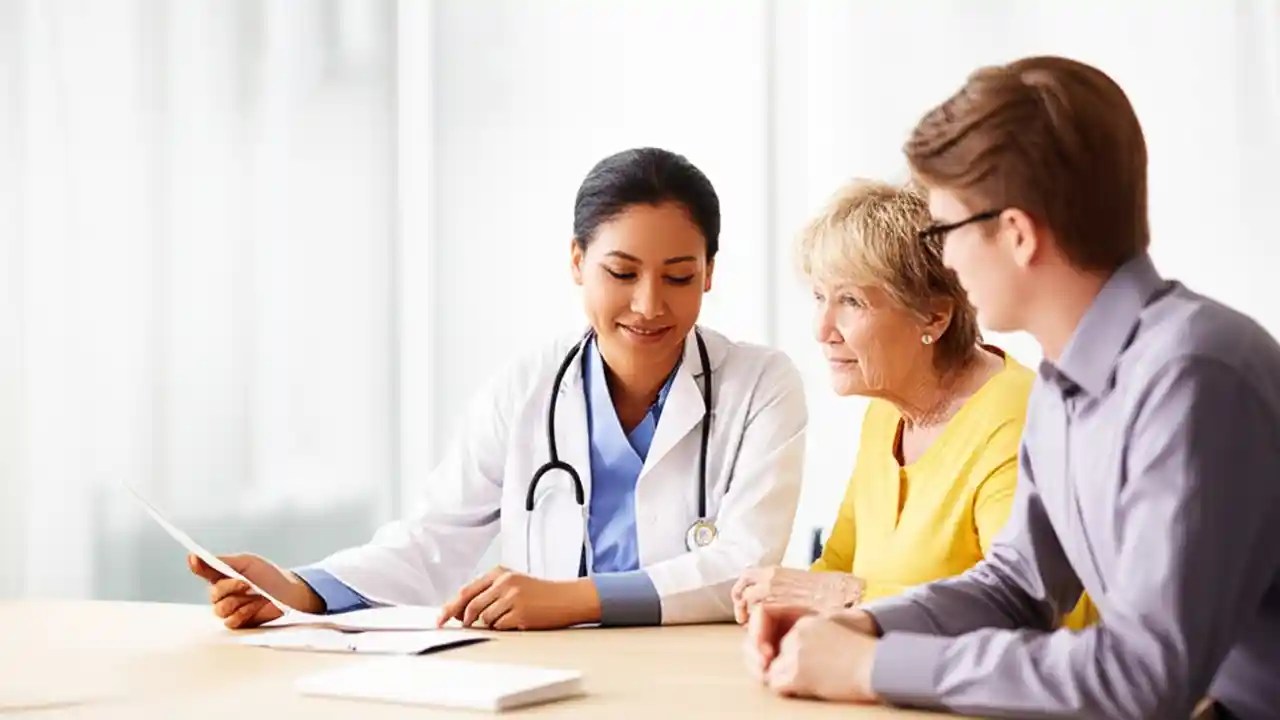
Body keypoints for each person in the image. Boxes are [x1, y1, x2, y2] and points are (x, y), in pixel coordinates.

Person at [745, 56, 1280, 720]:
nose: (942, 260)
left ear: (1017, 233)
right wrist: (867, 628)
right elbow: (1017, 585)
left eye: (945, 231)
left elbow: (1144, 675)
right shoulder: (1065, 381)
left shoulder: (1196, 376)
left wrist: (873, 667)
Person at [189, 147, 808, 631]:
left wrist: (567, 601)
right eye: (621, 272)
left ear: (709, 275)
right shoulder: (528, 387)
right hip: (551, 679)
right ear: (576, 262)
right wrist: (296, 589)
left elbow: (745, 565)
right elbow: (434, 540)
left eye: (679, 276)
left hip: (692, 679)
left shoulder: (760, 386)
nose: (649, 305)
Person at [730, 179, 1093, 629]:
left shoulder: (1017, 420)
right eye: (821, 297)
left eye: (851, 301)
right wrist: (784, 604)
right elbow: (840, 562)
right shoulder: (887, 411)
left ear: (935, 317)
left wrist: (842, 598)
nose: (822, 329)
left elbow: (1041, 614)